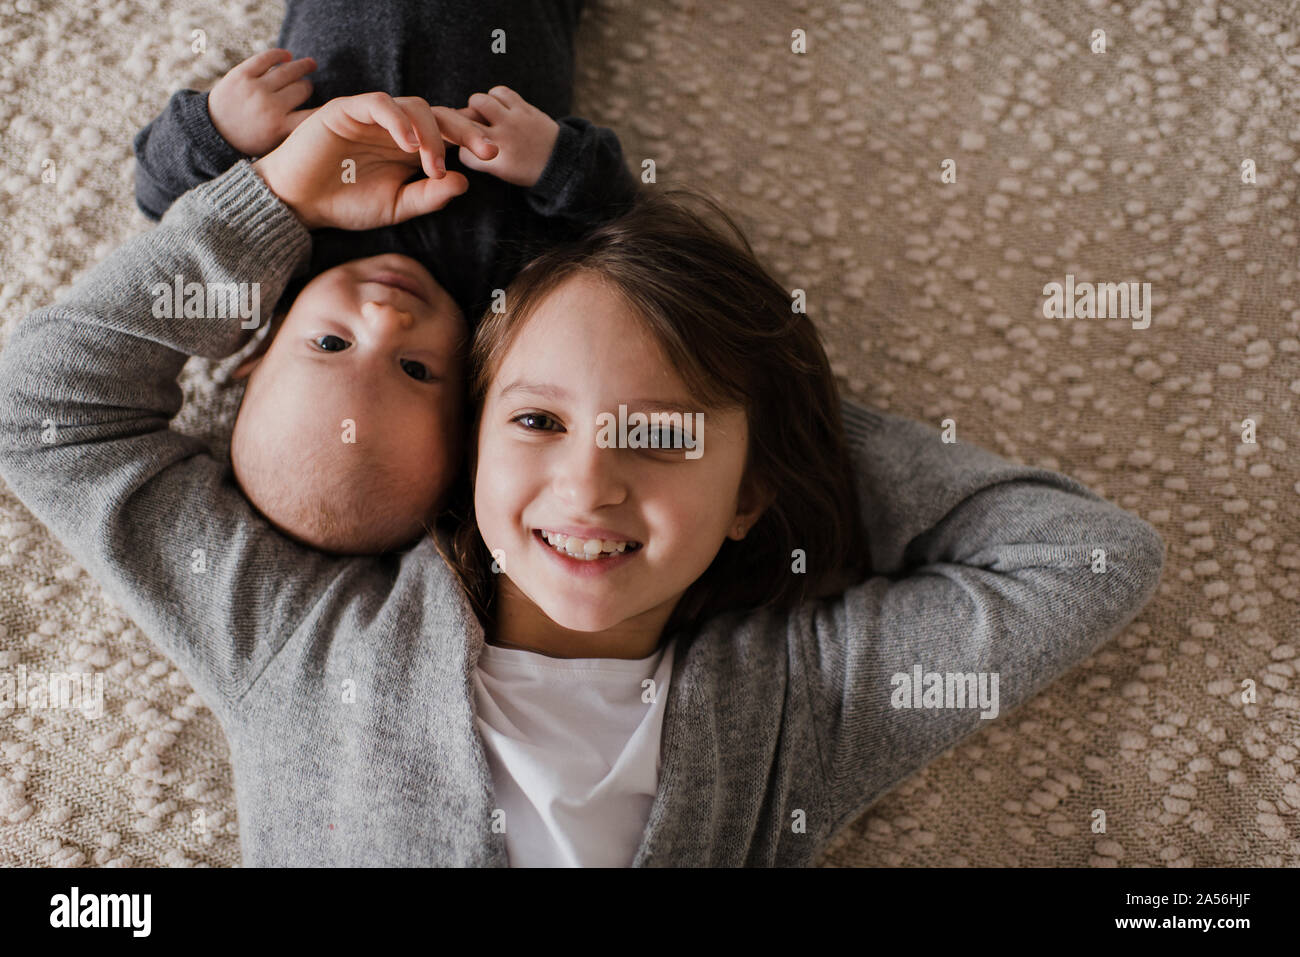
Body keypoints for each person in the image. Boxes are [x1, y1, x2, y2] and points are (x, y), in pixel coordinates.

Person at [0, 87, 1166, 865]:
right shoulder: (300, 639)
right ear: (467, 453)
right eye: (540, 421)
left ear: (751, 488)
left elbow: (1089, 557)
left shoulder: (807, 701)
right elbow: (42, 412)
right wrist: (272, 205)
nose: (591, 483)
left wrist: (765, 398)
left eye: (658, 436)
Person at [131, 0, 638, 554]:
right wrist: (555, 162)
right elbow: (618, 224)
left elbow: (159, 195)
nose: (385, 320)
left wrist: (220, 127)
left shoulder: (271, 256)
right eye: (415, 369)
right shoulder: (508, 287)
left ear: (259, 354)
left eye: (331, 343)